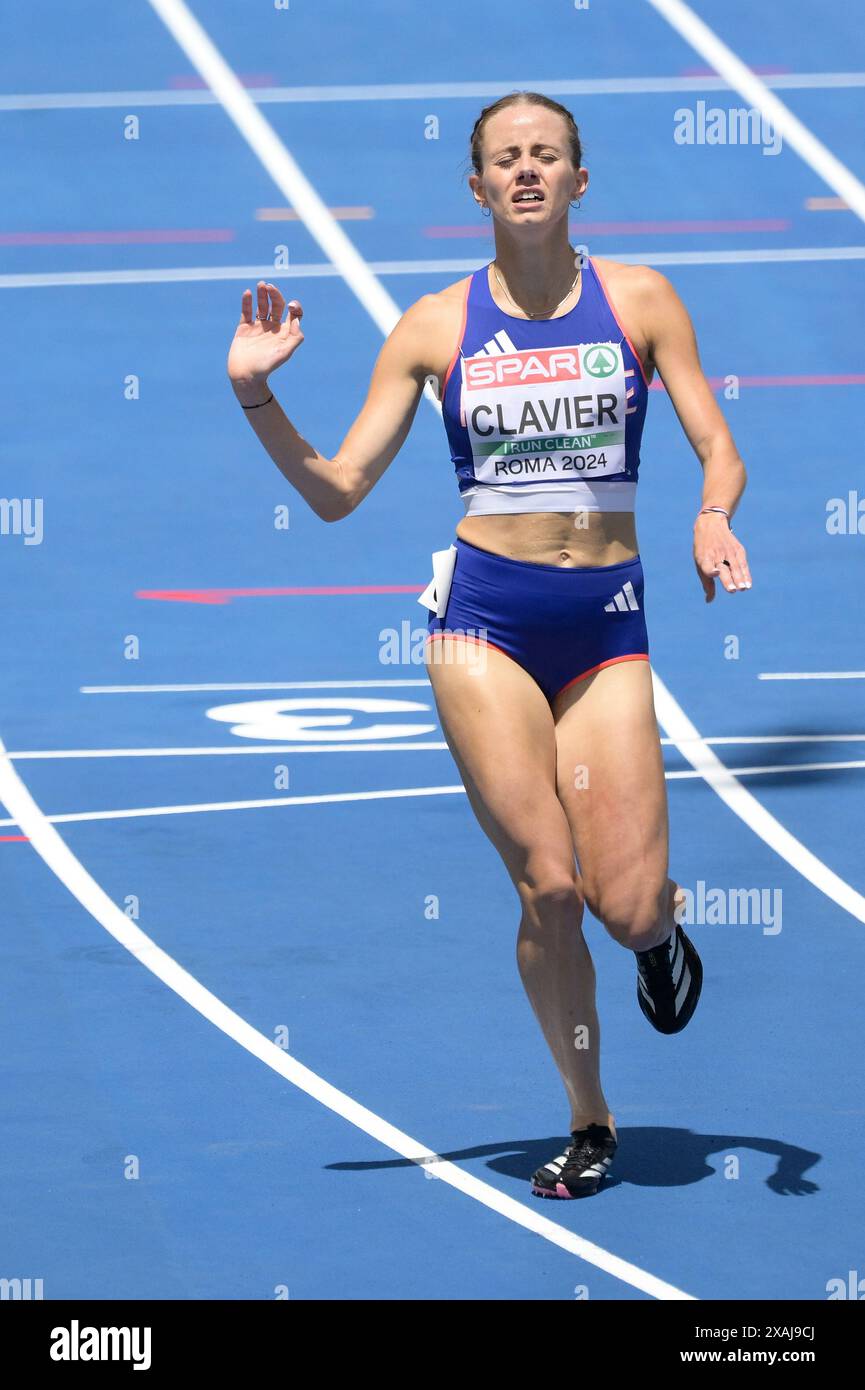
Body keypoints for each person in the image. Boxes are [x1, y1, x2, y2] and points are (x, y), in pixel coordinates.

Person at [226, 90, 751, 1200]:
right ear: (475, 187)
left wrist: (711, 514)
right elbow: (335, 493)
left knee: (624, 902)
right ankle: (590, 1117)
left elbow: (717, 445)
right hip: (483, 625)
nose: (525, 170)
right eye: (505, 158)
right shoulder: (432, 327)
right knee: (548, 890)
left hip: (607, 625)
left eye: (546, 154)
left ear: (577, 179)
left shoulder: (642, 301)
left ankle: (661, 935)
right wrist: (256, 396)